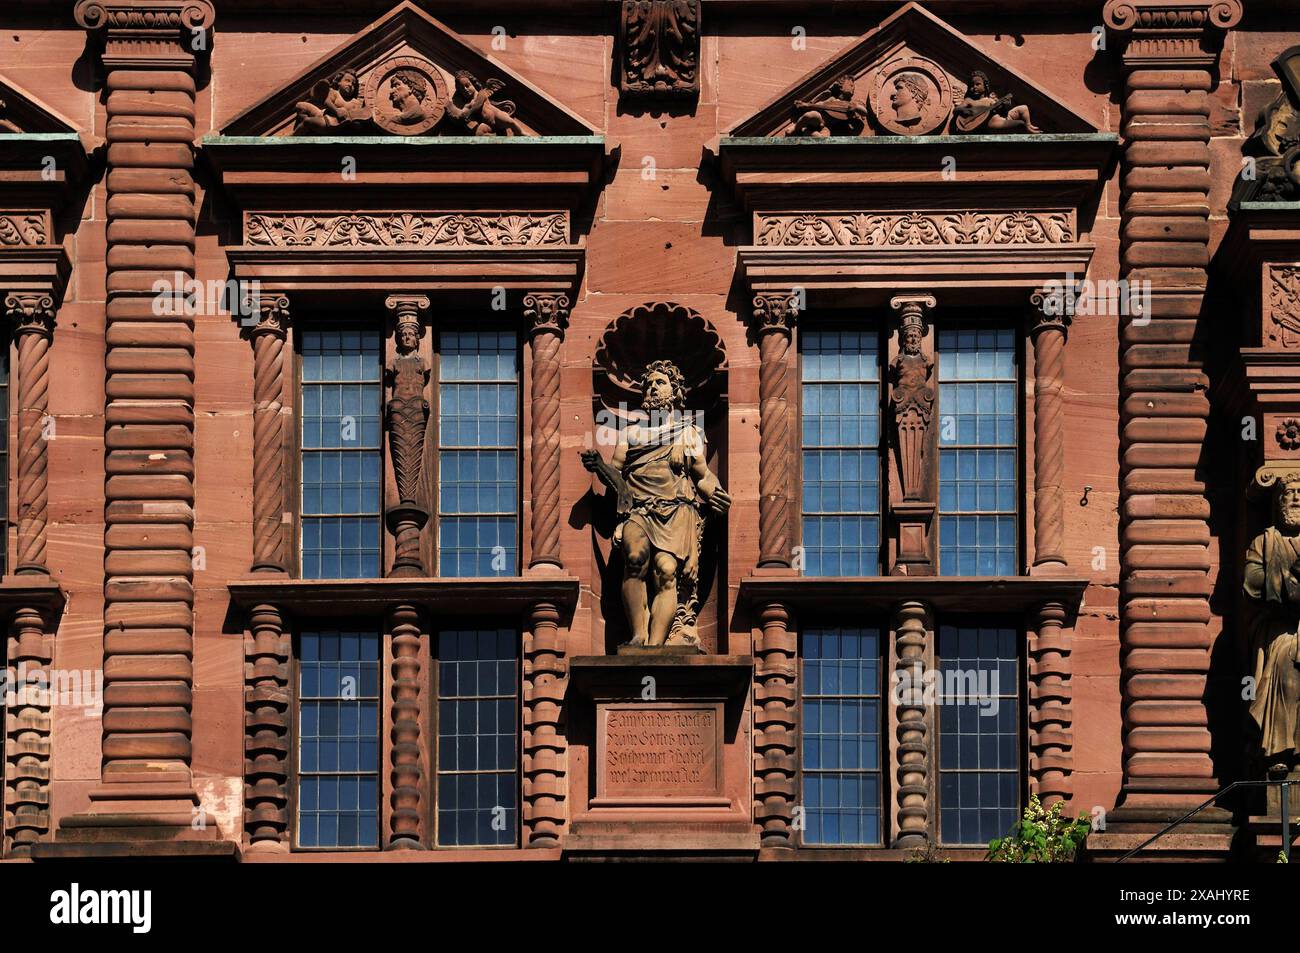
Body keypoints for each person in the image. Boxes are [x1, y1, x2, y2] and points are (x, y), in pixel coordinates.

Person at [581, 361, 730, 648]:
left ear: (675, 392)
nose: (652, 388)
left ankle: (656, 646)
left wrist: (717, 494)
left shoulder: (689, 433)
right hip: (639, 511)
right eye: (649, 384)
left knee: (666, 571)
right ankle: (638, 635)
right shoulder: (630, 434)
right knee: (635, 559)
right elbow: (616, 476)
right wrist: (598, 465)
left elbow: (702, 476)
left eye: (660, 382)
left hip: (675, 511)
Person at [1243, 473, 1300, 778]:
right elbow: (1252, 585)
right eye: (1289, 493)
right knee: (1287, 679)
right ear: (1278, 503)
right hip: (1281, 630)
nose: (1296, 498)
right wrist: (1288, 585)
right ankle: (1280, 750)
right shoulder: (1264, 542)